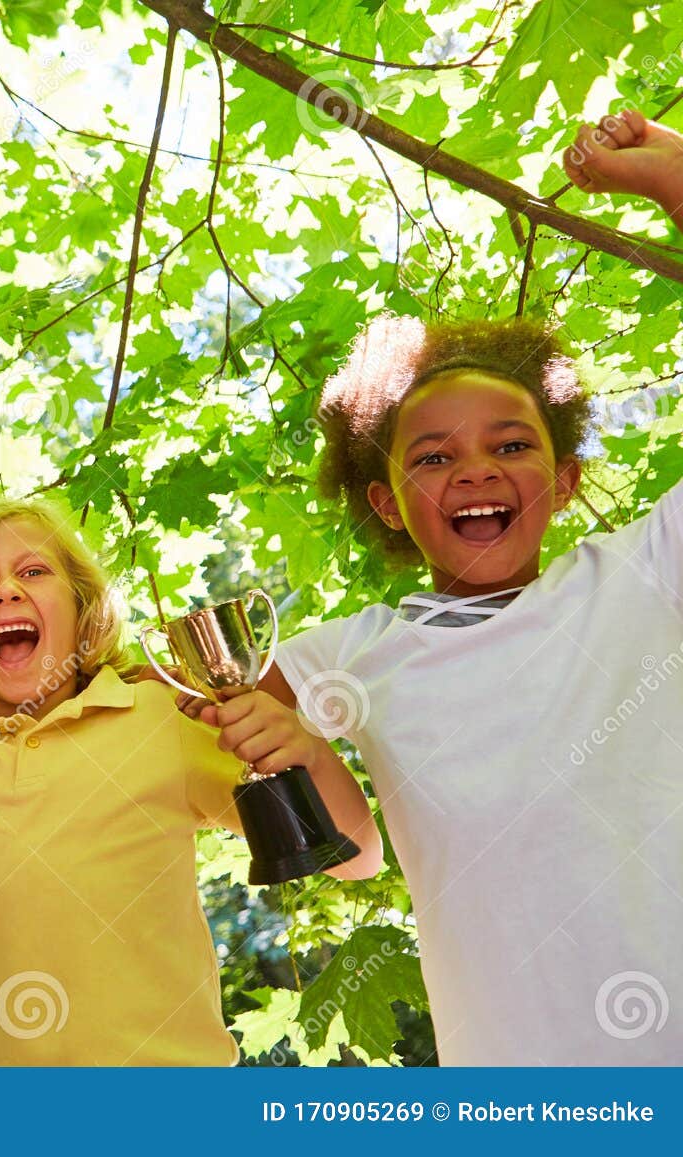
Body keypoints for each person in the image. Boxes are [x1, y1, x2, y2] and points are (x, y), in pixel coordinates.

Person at [186, 109, 683, 1064]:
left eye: (511, 446)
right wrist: (287, 741)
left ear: (566, 480)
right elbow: (351, 846)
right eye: (434, 457)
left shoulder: (649, 570)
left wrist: (675, 188)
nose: (476, 472)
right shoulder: (349, 652)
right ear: (386, 501)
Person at [0, 498, 381, 1064]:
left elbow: (356, 858)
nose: (5, 590)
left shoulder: (159, 717)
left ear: (84, 612)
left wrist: (309, 754)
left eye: (33, 571)